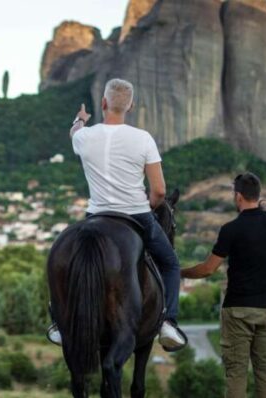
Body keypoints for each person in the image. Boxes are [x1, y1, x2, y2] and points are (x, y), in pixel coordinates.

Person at [48, 78, 187, 351]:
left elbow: (74, 131)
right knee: (171, 263)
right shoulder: (143, 139)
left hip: (96, 215)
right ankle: (168, 322)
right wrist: (148, 205)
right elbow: (160, 191)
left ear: (103, 103)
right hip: (137, 216)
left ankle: (59, 323)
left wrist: (80, 119)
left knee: (65, 258)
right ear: (130, 106)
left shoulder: (85, 136)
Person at [181, 173, 266, 398]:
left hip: (239, 310)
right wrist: (261, 201)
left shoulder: (231, 229)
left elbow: (208, 269)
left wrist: (180, 272)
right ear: (257, 195)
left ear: (238, 196)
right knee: (265, 370)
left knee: (236, 372)